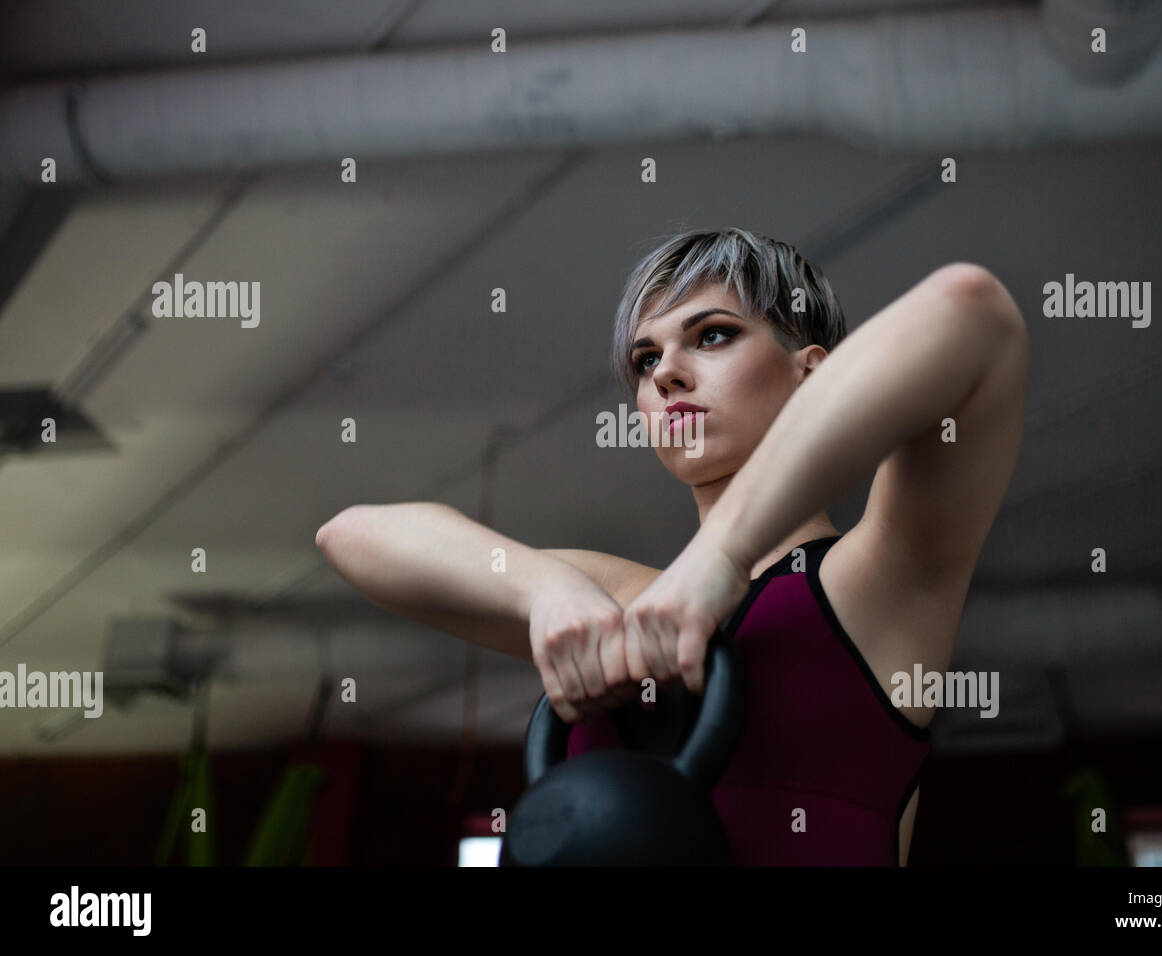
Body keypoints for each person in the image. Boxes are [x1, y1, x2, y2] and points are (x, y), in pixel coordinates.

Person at [316, 227, 1028, 866]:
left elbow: (972, 312)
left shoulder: (876, 581)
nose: (666, 373)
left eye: (712, 334)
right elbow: (352, 535)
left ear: (813, 369)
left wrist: (720, 554)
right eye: (646, 356)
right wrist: (544, 590)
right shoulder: (620, 601)